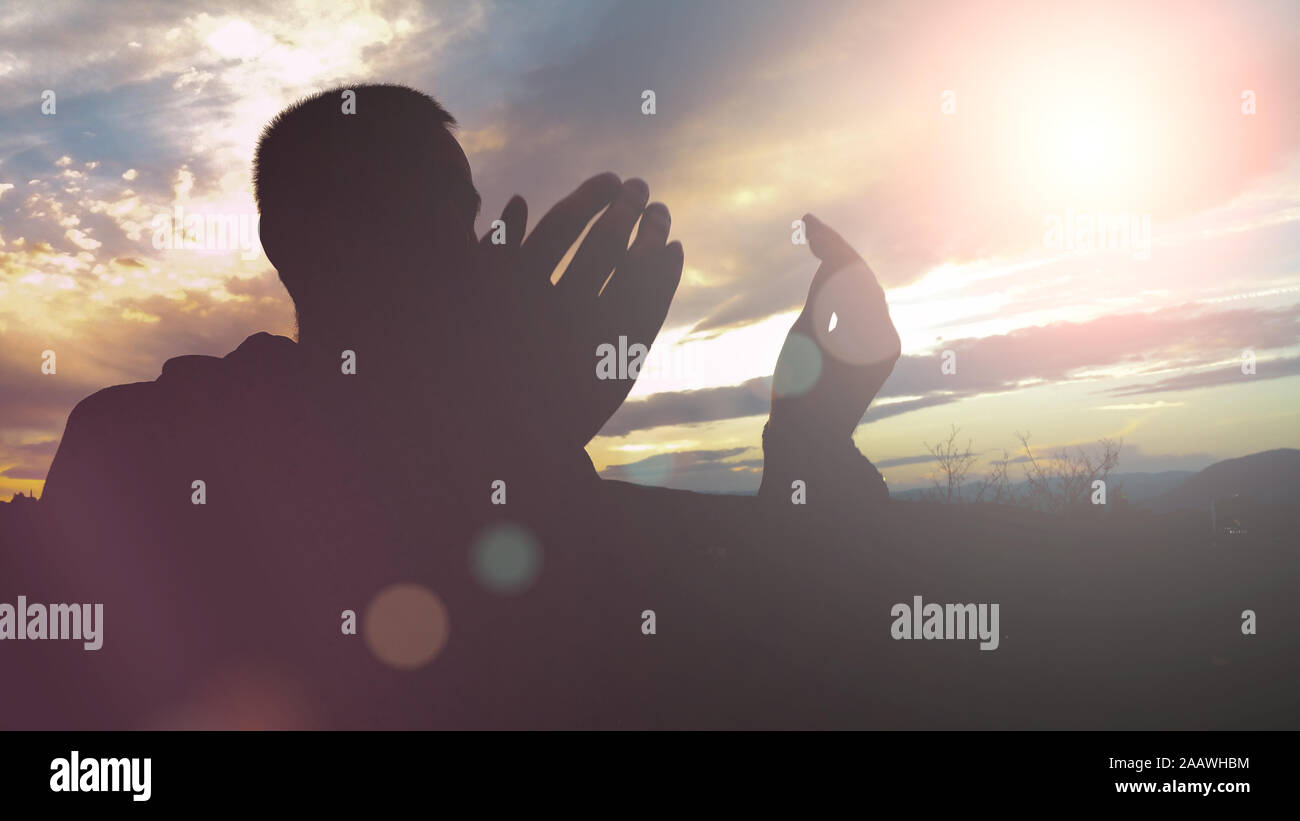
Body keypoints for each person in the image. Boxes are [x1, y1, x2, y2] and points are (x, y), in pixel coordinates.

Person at [24, 84, 903, 728]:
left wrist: (812, 441)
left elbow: (777, 653)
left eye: (465, 218)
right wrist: (500, 445)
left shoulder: (532, 467)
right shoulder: (137, 446)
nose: (467, 250)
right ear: (287, 247)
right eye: (419, 216)